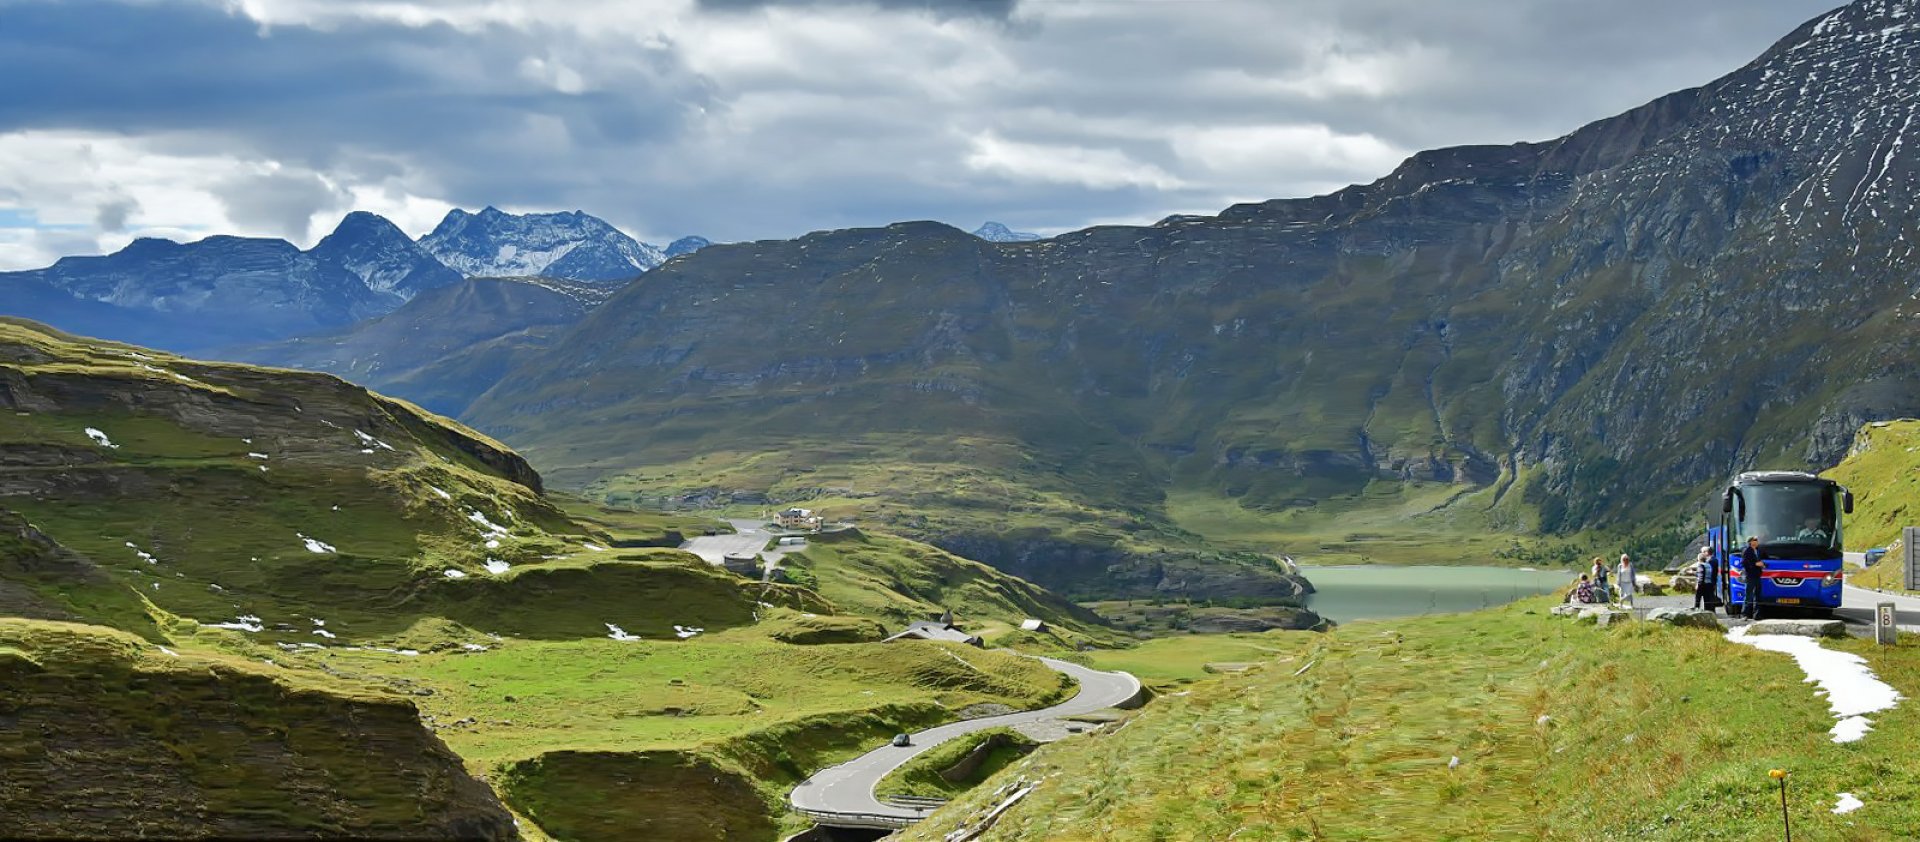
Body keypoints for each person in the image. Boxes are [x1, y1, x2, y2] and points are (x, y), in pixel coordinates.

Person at [1740, 536, 1767, 620]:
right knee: (1748, 595)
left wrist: (1763, 565)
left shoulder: (1757, 550)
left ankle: (1757, 615)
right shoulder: (1747, 550)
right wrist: (1755, 564)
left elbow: (1760, 560)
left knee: (1757, 595)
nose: (1756, 541)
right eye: (1754, 540)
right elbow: (1745, 563)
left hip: (1757, 575)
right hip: (1750, 576)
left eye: (1757, 540)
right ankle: (1744, 614)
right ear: (1750, 542)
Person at [1693, 548, 1718, 613]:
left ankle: (1696, 611)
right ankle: (1708, 612)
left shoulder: (1701, 565)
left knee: (1698, 599)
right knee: (1707, 600)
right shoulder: (1708, 565)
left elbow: (1701, 575)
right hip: (1709, 584)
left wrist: (1698, 585)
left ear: (1699, 559)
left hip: (1702, 584)